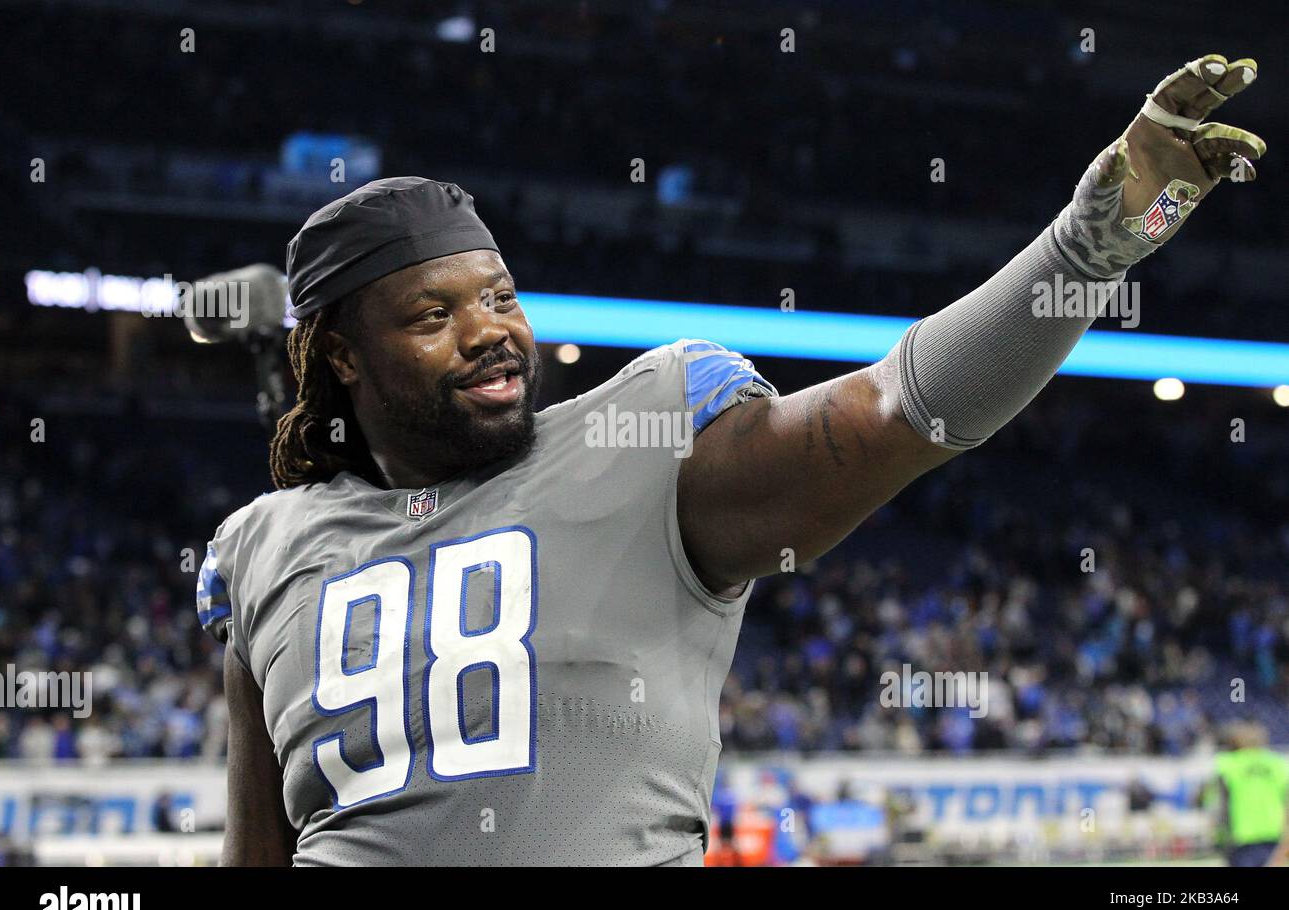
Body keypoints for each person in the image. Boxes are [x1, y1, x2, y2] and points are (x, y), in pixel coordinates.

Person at [199, 55, 1266, 865]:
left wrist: (1093, 249)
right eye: (433, 313)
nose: (488, 330)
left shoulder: (648, 441)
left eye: (500, 296)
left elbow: (897, 408)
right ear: (340, 353)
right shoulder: (263, 546)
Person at [1213, 722, 1289, 867]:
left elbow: (1219, 800)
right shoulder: (1279, 764)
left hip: (1242, 835)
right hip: (1273, 832)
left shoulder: (1228, 763)